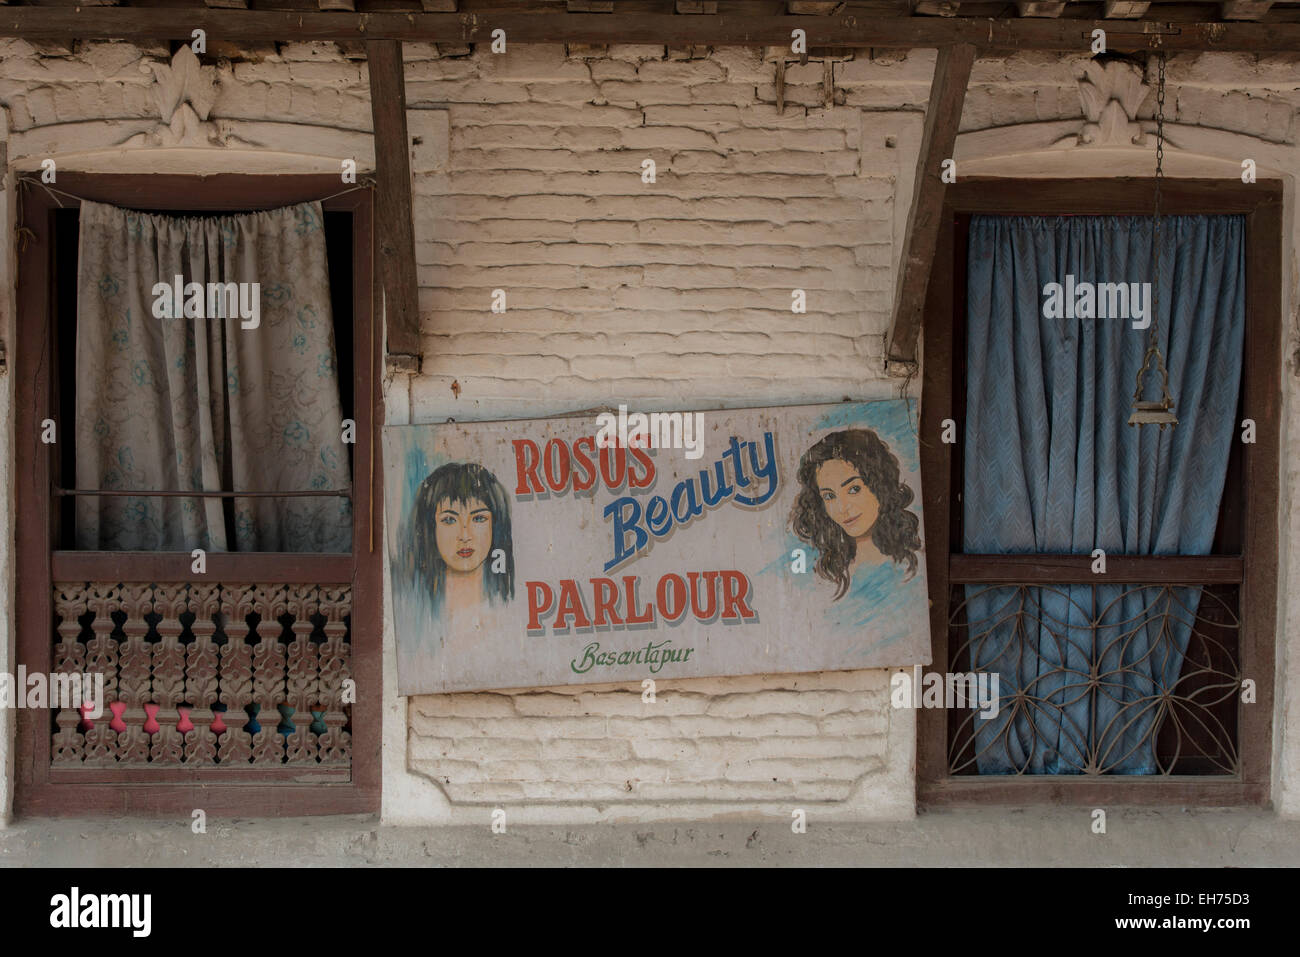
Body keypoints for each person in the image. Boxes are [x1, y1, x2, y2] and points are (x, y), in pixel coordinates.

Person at [790, 428, 921, 601]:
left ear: (879, 486)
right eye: (829, 496)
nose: (842, 507)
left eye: (854, 489)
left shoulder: (914, 563)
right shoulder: (827, 577)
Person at [404, 461, 515, 616]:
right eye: (449, 520)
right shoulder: (411, 608)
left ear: (495, 525)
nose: (464, 536)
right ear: (431, 527)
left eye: (478, 519)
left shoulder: (509, 606)